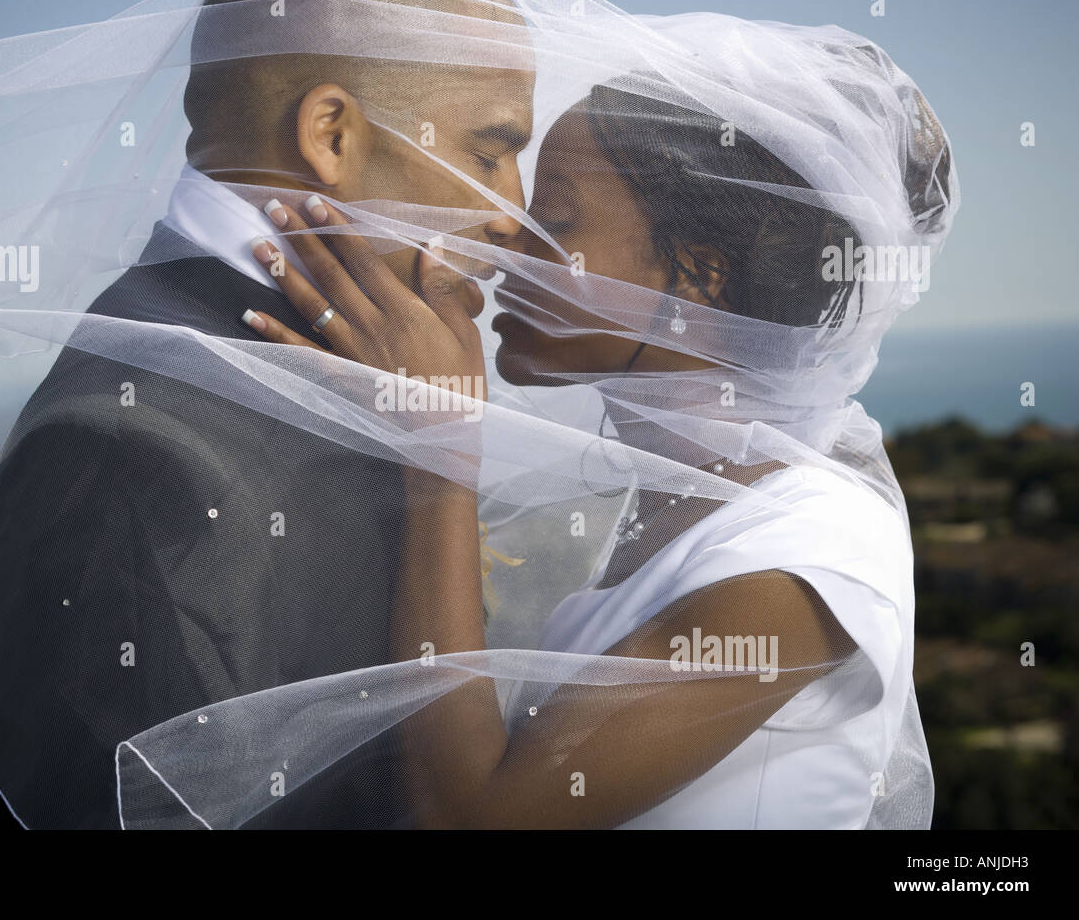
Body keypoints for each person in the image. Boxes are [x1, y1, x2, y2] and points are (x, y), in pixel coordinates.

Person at [235, 52, 952, 827]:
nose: (505, 249)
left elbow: (473, 819)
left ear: (699, 275)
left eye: (556, 224)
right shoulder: (676, 500)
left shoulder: (809, 554)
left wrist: (439, 450)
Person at [0, 0, 533, 829]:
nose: (511, 216)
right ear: (331, 134)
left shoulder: (373, 371)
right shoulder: (131, 450)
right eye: (488, 153)